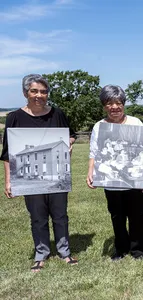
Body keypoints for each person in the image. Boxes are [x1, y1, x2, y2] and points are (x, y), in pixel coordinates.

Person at [1, 74, 78, 272]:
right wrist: (8, 180)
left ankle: (64, 252)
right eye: (34, 91)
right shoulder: (14, 117)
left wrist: (69, 142)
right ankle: (41, 253)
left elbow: (71, 135)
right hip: (29, 177)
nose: (39, 95)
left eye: (43, 91)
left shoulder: (57, 114)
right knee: (37, 216)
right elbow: (8, 153)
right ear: (25, 92)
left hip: (57, 174)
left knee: (60, 215)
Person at [87, 85, 143, 261]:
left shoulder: (135, 123)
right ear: (104, 105)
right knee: (117, 216)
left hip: (134, 178)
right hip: (111, 180)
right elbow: (94, 152)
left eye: (118, 103)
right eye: (109, 103)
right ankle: (121, 249)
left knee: (137, 215)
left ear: (123, 104)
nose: (114, 107)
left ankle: (138, 250)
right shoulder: (99, 126)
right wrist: (90, 172)